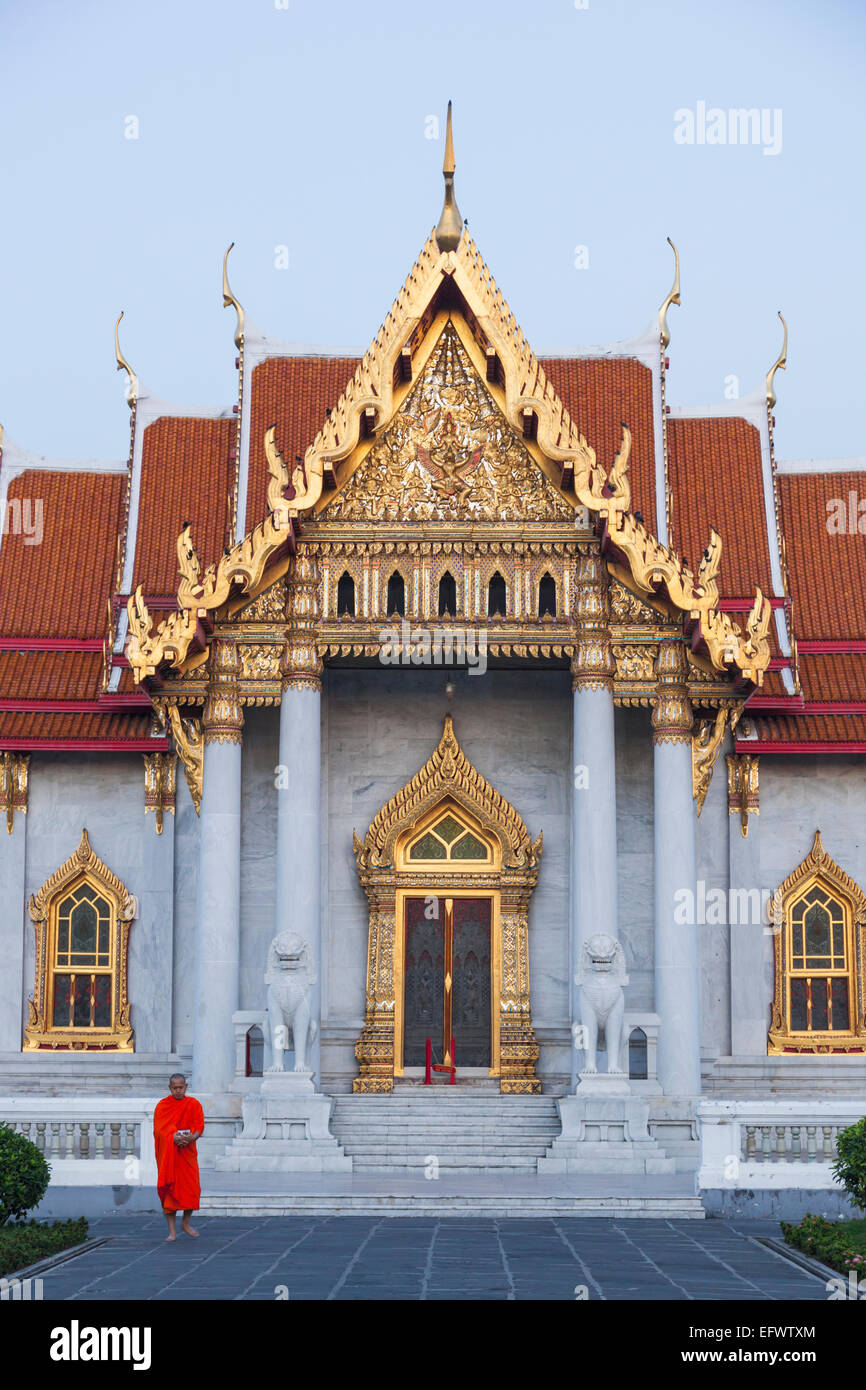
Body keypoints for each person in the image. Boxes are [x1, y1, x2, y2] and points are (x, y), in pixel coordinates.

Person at [153, 1073, 204, 1241]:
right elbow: (160, 1130)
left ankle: (186, 1223)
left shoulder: (193, 1104)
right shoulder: (163, 1105)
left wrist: (193, 1136)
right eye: (174, 1088)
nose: (178, 1091)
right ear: (170, 1088)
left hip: (187, 1152)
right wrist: (172, 1137)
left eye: (180, 1087)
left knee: (192, 1189)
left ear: (186, 1087)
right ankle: (172, 1231)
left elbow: (198, 1125)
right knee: (170, 1191)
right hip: (170, 1155)